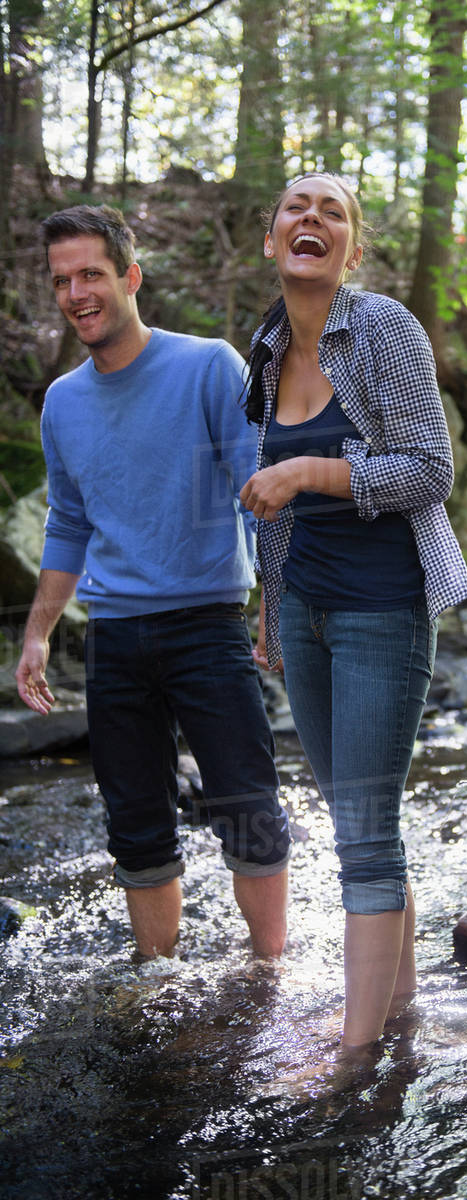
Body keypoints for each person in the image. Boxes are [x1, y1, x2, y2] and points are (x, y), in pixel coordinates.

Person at [15, 204, 291, 962]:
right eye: (62, 280)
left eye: (91, 275)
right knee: (136, 822)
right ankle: (159, 979)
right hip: (114, 638)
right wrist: (38, 632)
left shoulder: (207, 365)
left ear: (130, 277)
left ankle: (268, 971)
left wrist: (275, 604)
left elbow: (258, 491)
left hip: (208, 627)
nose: (76, 293)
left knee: (247, 808)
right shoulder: (63, 402)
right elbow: (67, 524)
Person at [239, 173, 467, 1051]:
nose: (311, 219)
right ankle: (399, 1015)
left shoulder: (382, 329)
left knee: (366, 838)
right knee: (357, 824)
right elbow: (267, 500)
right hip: (304, 610)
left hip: (384, 609)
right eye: (295, 208)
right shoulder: (263, 346)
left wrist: (309, 472)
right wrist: (272, 602)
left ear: (352, 248)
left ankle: (353, 1053)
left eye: (331, 211)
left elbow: (428, 471)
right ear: (272, 242)